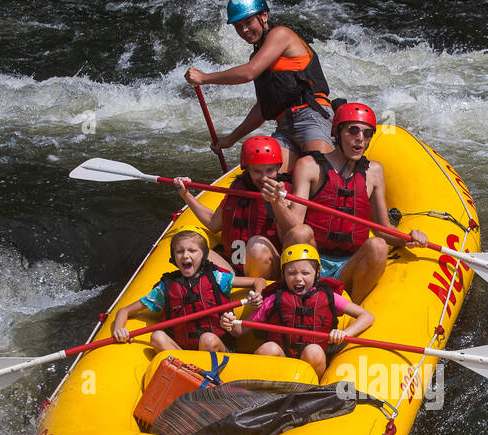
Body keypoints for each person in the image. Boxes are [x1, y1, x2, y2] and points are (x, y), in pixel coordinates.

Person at [263, 102, 426, 304]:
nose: (360, 139)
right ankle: (293, 301)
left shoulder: (374, 172)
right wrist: (277, 202)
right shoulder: (310, 165)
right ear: (337, 133)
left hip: (350, 263)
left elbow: (383, 229)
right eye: (353, 131)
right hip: (311, 259)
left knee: (378, 245)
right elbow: (293, 225)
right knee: (300, 232)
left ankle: (351, 309)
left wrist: (409, 238)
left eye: (367, 134)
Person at [184, 0, 333, 171]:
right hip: (285, 127)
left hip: (311, 116)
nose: (244, 30)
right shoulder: (258, 56)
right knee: (265, 175)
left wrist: (204, 78)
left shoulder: (281, 34)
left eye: (248, 22)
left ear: (264, 15)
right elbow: (263, 108)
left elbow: (249, 73)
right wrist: (230, 139)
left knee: (321, 172)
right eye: (238, 26)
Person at [220, 243, 372, 379]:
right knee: (269, 348)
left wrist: (346, 333)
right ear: (284, 275)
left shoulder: (329, 296)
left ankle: (311, 390)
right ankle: (265, 388)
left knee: (314, 350)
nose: (298, 278)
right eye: (291, 273)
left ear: (317, 274)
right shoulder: (273, 299)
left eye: (305, 273)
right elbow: (241, 330)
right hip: (283, 361)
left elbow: (366, 316)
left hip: (312, 361)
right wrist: (229, 323)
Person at [112, 228, 264, 353]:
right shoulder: (166, 287)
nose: (185, 255)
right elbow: (124, 311)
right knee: (157, 337)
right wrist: (119, 329)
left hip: (218, 350)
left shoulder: (218, 278)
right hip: (184, 356)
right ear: (174, 257)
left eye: (192, 250)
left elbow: (259, 281)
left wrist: (257, 294)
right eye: (180, 251)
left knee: (207, 339)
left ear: (203, 255)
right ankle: (188, 373)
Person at [172, 136, 290, 280]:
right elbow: (213, 224)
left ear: (279, 167)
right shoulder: (237, 188)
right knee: (191, 249)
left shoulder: (283, 192)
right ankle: (235, 283)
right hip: (233, 266)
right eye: (256, 171)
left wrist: (278, 203)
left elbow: (289, 239)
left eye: (270, 170)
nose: (264, 177)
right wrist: (186, 195)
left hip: (267, 270)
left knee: (256, 247)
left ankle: (257, 290)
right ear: (247, 170)